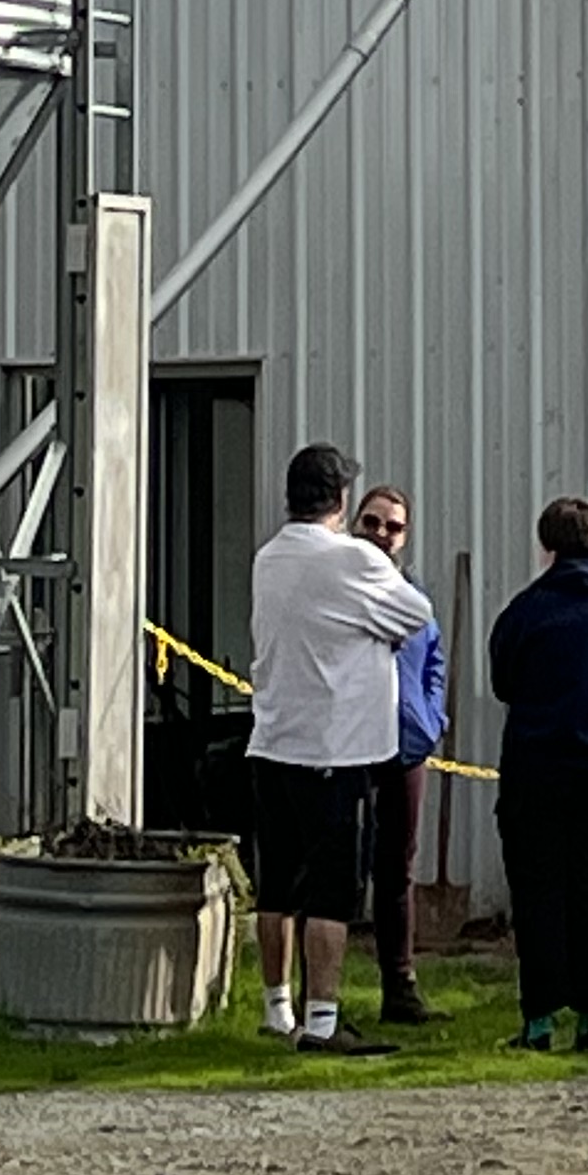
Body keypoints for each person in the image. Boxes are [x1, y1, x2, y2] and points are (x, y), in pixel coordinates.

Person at [247, 440, 435, 1053]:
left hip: (272, 740)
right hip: (334, 749)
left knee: (276, 885)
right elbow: (414, 614)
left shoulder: (269, 557)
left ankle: (277, 1007)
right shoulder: (352, 561)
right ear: (342, 501)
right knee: (332, 888)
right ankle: (323, 1019)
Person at [487, 493, 588, 1052]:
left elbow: (503, 682)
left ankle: (539, 1019)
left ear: (547, 545)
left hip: (533, 767)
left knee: (537, 892)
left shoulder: (524, 610)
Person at [352, 482, 447, 1026]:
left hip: (407, 744)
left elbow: (433, 658)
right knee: (341, 868)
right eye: (373, 522)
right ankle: (323, 996)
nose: (383, 534)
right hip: (347, 744)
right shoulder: (340, 587)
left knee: (397, 869)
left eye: (394, 526)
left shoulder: (414, 593)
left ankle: (400, 987)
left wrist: (433, 716)